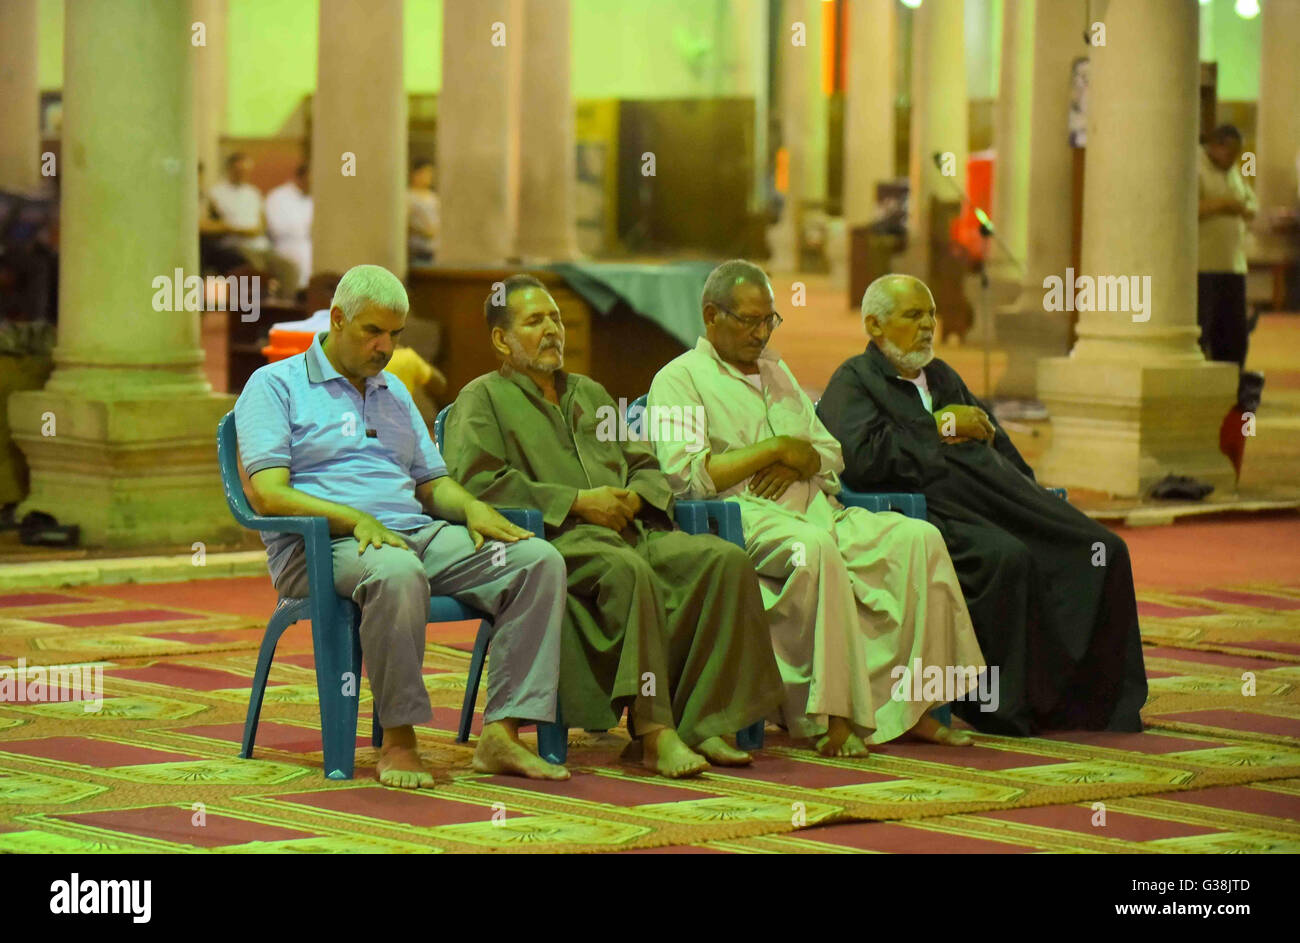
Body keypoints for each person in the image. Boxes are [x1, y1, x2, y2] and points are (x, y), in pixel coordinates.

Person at [234, 264, 570, 789]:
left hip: (410, 535)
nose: (386, 347)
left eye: (395, 334)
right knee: (396, 572)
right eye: (374, 332)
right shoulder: (275, 386)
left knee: (536, 562)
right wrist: (356, 518)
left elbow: (432, 483)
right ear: (338, 319)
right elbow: (267, 492)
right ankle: (399, 741)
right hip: (322, 546)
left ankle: (503, 731)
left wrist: (473, 508)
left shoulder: (392, 390)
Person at [442, 275, 785, 778]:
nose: (552, 330)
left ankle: (705, 721)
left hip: (631, 530)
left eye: (555, 318)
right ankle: (653, 733)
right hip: (556, 541)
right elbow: (480, 483)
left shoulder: (591, 393)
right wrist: (578, 503)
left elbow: (644, 462)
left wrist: (635, 498)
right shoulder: (483, 399)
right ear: (501, 339)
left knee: (724, 560)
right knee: (627, 571)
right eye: (535, 321)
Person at [649, 260, 985, 757]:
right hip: (742, 519)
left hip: (819, 505)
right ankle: (832, 717)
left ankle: (918, 707)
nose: (761, 333)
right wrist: (774, 449)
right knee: (817, 549)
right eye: (748, 321)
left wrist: (797, 457)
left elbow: (831, 452)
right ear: (710, 316)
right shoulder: (680, 379)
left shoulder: (776, 370)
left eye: (769, 320)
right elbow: (684, 476)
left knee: (919, 539)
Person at [816, 273, 1148, 736]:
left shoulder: (943, 376)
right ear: (875, 325)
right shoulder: (855, 380)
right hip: (928, 511)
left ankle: (1091, 704)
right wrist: (941, 427)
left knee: (1102, 549)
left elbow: (997, 442)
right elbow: (862, 459)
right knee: (1006, 558)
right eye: (914, 315)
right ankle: (1003, 707)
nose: (929, 325)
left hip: (994, 498)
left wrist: (1029, 494)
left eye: (931, 313)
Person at [207, 152, 300, 297]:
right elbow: (214, 223)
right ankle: (260, 311)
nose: (242, 174)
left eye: (245, 171)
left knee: (289, 268)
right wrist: (239, 230)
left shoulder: (253, 193)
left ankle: (283, 306)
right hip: (236, 246)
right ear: (229, 169)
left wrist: (257, 230)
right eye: (238, 170)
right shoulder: (216, 193)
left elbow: (262, 222)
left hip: (260, 244)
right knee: (257, 270)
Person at [265, 163, 313, 290]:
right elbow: (276, 228)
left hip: (310, 244)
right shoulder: (278, 196)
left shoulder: (314, 198)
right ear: (302, 176)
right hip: (285, 246)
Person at [407, 159, 440, 265]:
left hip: (433, 248)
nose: (428, 177)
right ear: (415, 174)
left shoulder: (433, 197)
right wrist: (422, 232)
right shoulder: (408, 196)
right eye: (425, 173)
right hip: (416, 249)